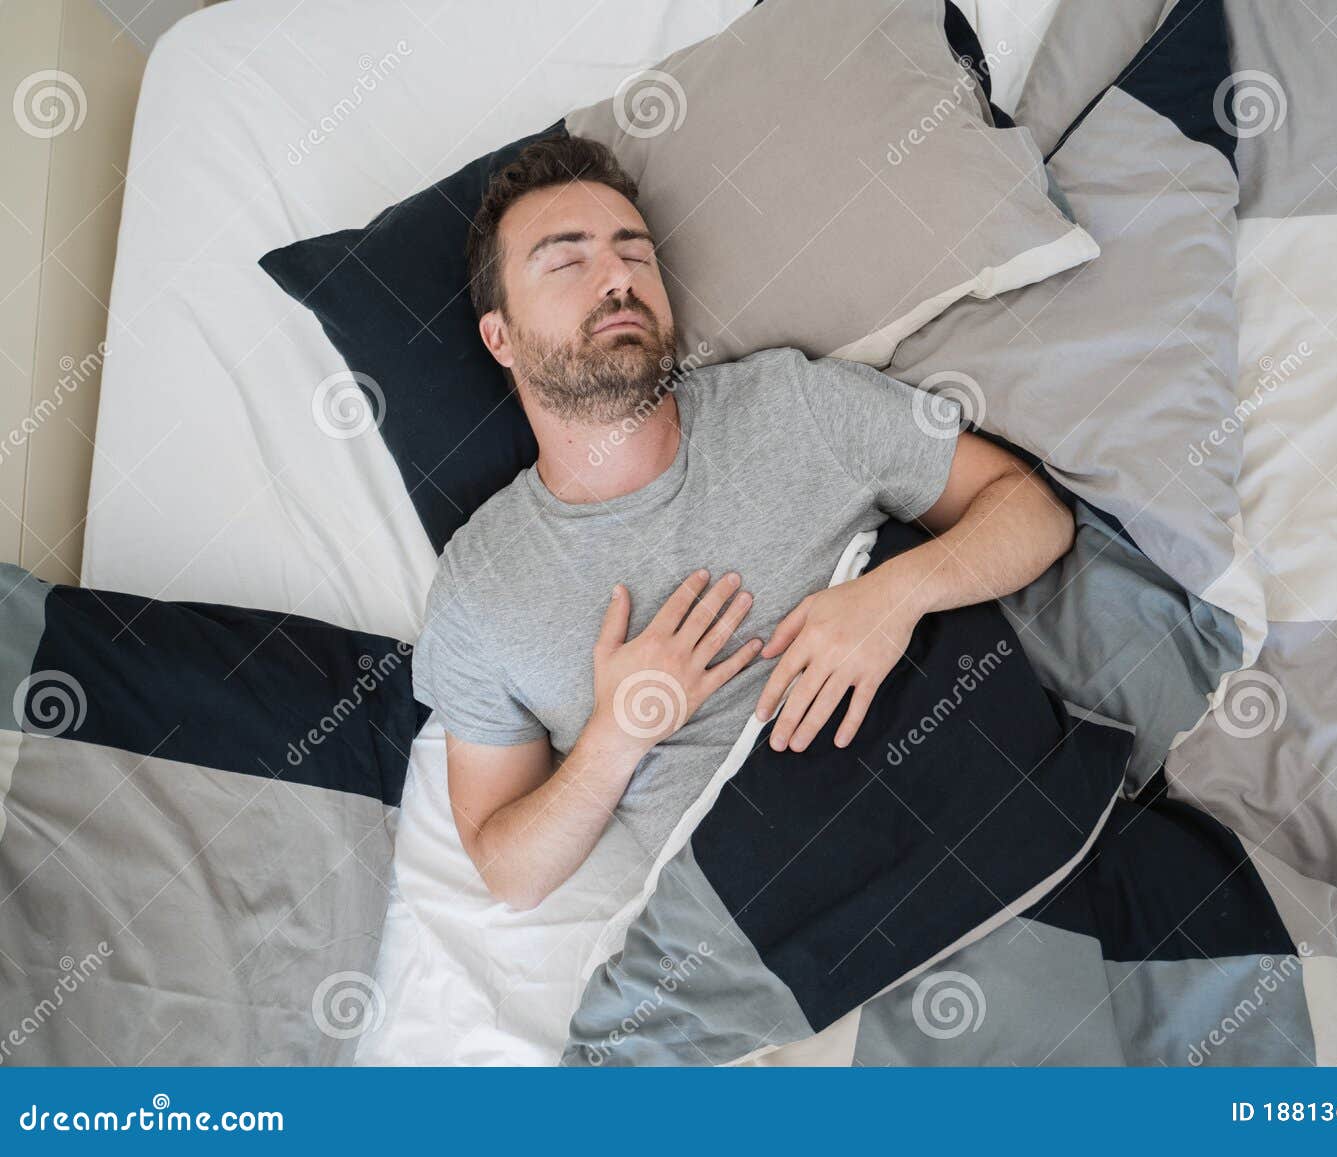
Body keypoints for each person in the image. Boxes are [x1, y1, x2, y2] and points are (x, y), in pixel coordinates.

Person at [411, 135, 1076, 909]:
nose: (619, 277)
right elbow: (507, 869)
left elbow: (1034, 512)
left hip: (984, 830)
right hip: (779, 942)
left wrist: (895, 597)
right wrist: (616, 735)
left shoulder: (794, 405)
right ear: (500, 337)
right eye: (567, 261)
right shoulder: (479, 582)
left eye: (636, 254)